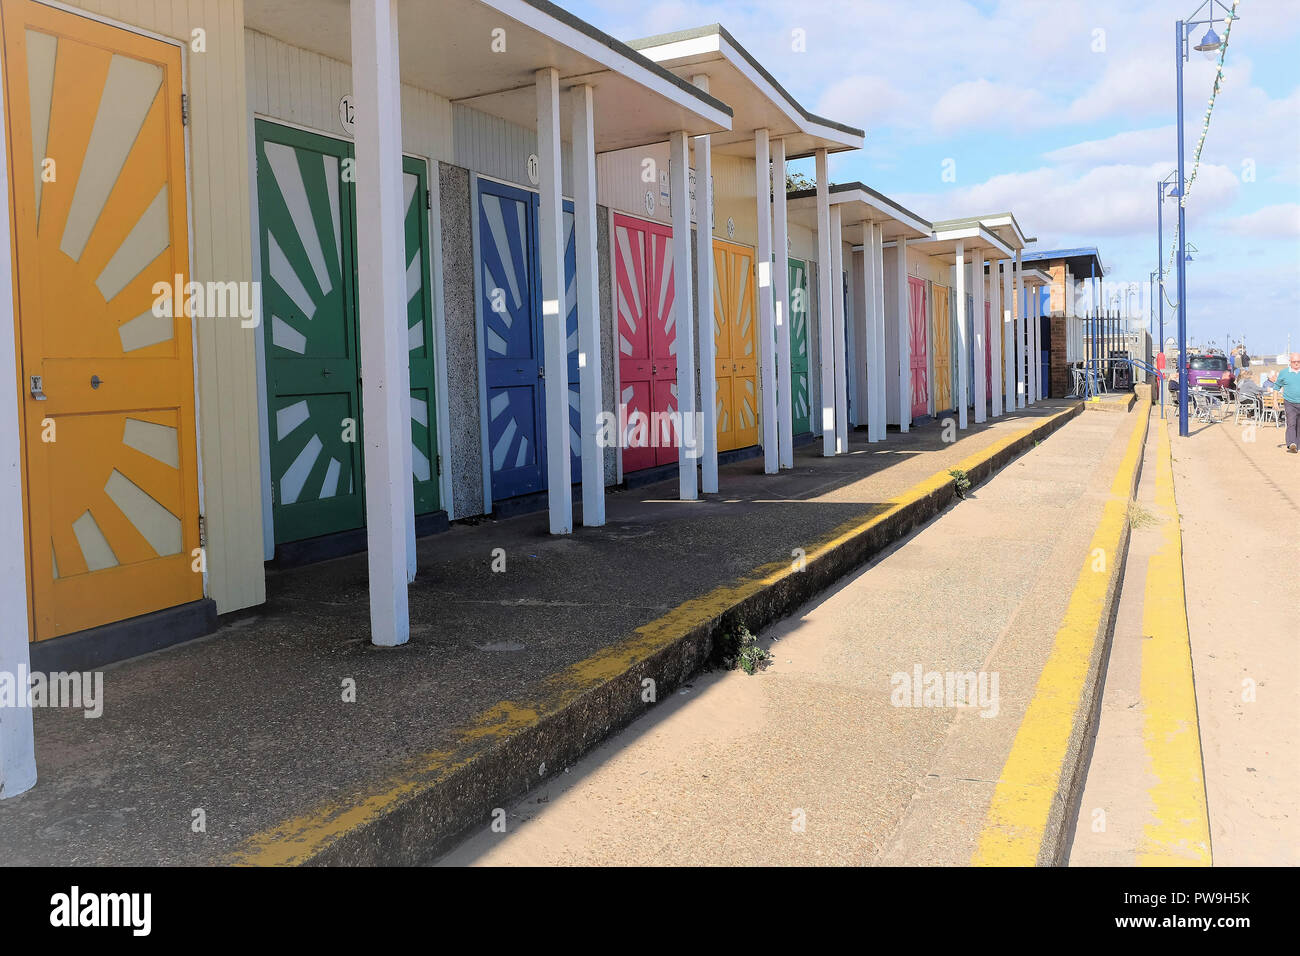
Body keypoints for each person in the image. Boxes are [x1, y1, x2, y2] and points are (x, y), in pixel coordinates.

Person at [1273, 353, 1300, 453]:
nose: (1296, 364)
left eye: (1298, 362)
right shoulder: (1284, 372)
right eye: (1294, 362)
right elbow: (1276, 387)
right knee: (1291, 423)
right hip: (1290, 402)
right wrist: (1275, 401)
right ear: (1290, 362)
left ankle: (1297, 444)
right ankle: (1291, 444)